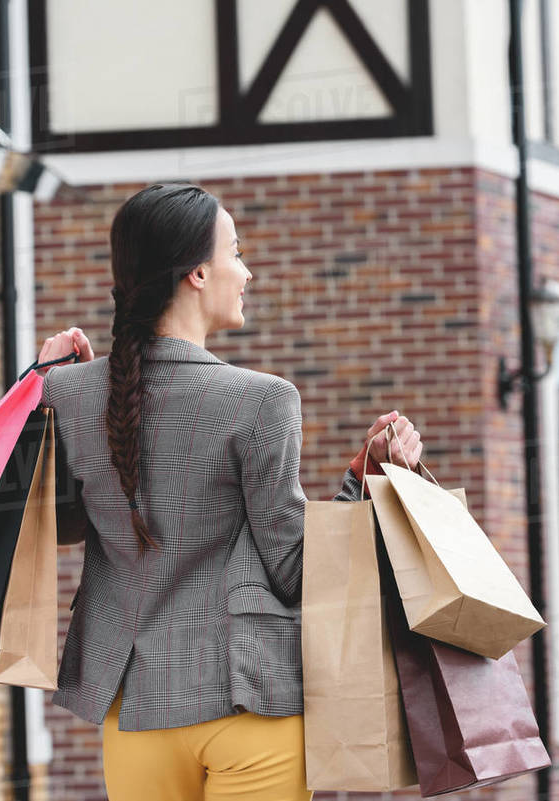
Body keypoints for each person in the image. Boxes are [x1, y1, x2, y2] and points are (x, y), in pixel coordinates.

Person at [36, 183, 424, 801]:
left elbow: (56, 526)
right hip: (248, 701)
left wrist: (39, 389)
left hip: (130, 703)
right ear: (196, 272)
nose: (246, 271)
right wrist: (365, 479)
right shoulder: (263, 400)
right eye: (235, 252)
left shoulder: (67, 393)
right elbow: (296, 571)